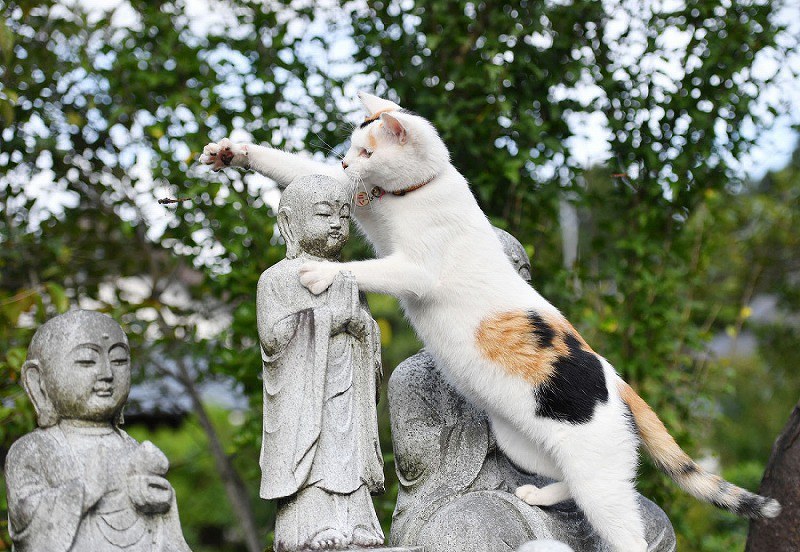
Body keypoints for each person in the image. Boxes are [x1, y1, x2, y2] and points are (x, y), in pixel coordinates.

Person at [388, 230, 677, 552]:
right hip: (480, 498)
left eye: (521, 280)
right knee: (465, 531)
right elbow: (420, 471)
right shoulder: (419, 374)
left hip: (550, 489)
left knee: (653, 521)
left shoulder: (550, 359)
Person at [256, 174, 384, 550]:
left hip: (349, 383)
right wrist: (329, 319)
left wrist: (362, 326)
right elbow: (274, 338)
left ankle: (357, 520)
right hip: (304, 395)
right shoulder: (277, 279)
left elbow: (367, 331)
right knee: (317, 455)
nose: (336, 224)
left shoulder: (349, 278)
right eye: (324, 214)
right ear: (288, 222)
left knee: (349, 448)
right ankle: (312, 524)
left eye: (344, 216)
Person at [4, 310, 191, 552]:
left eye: (119, 361)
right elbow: (26, 523)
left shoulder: (130, 448)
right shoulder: (33, 450)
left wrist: (158, 501)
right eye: (86, 361)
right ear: (38, 381)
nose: (107, 374)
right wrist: (83, 491)